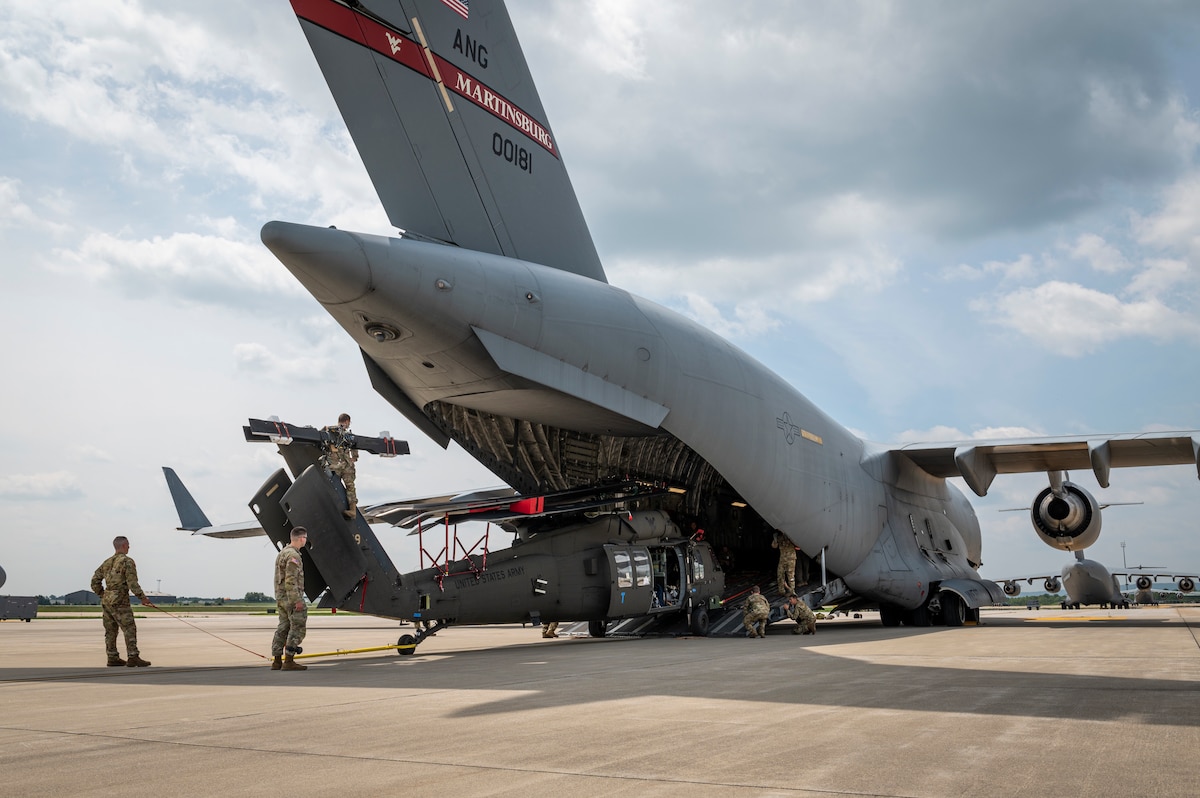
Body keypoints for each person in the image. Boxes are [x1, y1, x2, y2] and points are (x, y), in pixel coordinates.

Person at [90, 536, 153, 667]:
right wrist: (142, 597)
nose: (129, 547)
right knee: (129, 628)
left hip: (107, 600)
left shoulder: (107, 562)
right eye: (128, 545)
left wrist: (104, 594)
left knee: (110, 630)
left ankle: (112, 657)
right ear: (124, 545)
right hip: (120, 600)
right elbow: (132, 583)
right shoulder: (127, 561)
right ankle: (133, 656)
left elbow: (94, 581)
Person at [272, 527, 309, 671]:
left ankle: (276, 660)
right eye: (305, 538)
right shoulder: (294, 556)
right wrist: (297, 600)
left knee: (283, 627)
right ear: (301, 539)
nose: (306, 540)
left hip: (281, 597)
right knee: (297, 626)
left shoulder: (282, 553)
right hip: (291, 598)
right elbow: (290, 580)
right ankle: (289, 660)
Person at [325, 412, 359, 519]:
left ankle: (349, 510)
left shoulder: (330, 430)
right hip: (343, 464)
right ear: (347, 421)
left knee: (336, 485)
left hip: (336, 464)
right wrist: (354, 457)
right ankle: (352, 510)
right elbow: (355, 445)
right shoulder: (340, 432)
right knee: (350, 487)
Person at [771, 530, 797, 596]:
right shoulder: (779, 537)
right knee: (780, 574)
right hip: (782, 559)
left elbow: (797, 545)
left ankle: (792, 591)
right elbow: (774, 546)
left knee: (790, 575)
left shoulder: (791, 535)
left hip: (791, 559)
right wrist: (775, 539)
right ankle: (781, 590)